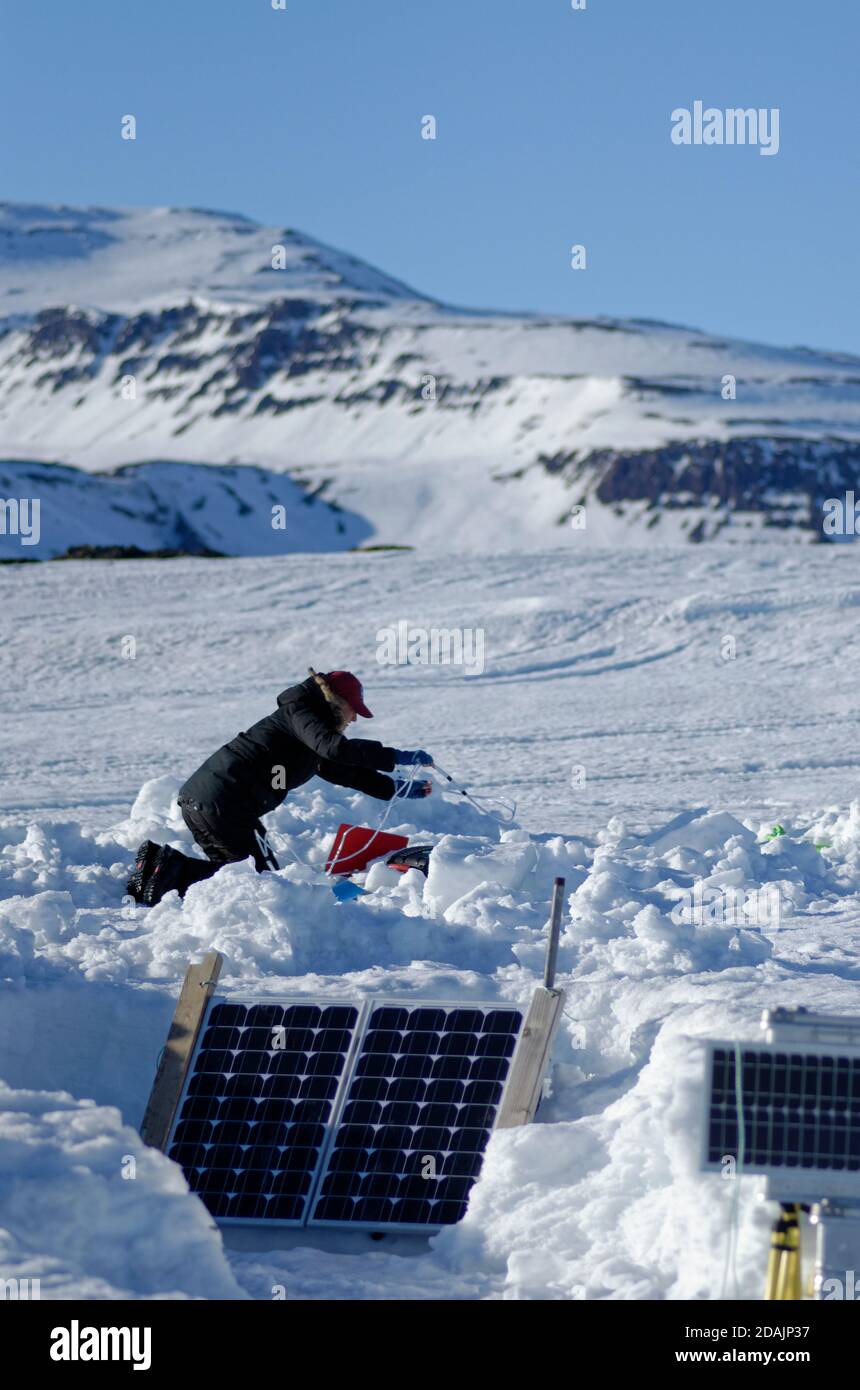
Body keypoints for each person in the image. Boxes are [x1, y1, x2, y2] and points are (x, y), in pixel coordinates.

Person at [127, 668, 433, 906]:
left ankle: (160, 869)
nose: (354, 718)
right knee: (254, 884)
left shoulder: (311, 733)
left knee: (248, 878)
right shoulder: (300, 713)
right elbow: (335, 749)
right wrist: (394, 756)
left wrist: (394, 788)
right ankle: (163, 869)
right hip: (221, 801)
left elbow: (342, 769)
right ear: (336, 701)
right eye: (354, 709)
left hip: (219, 804)